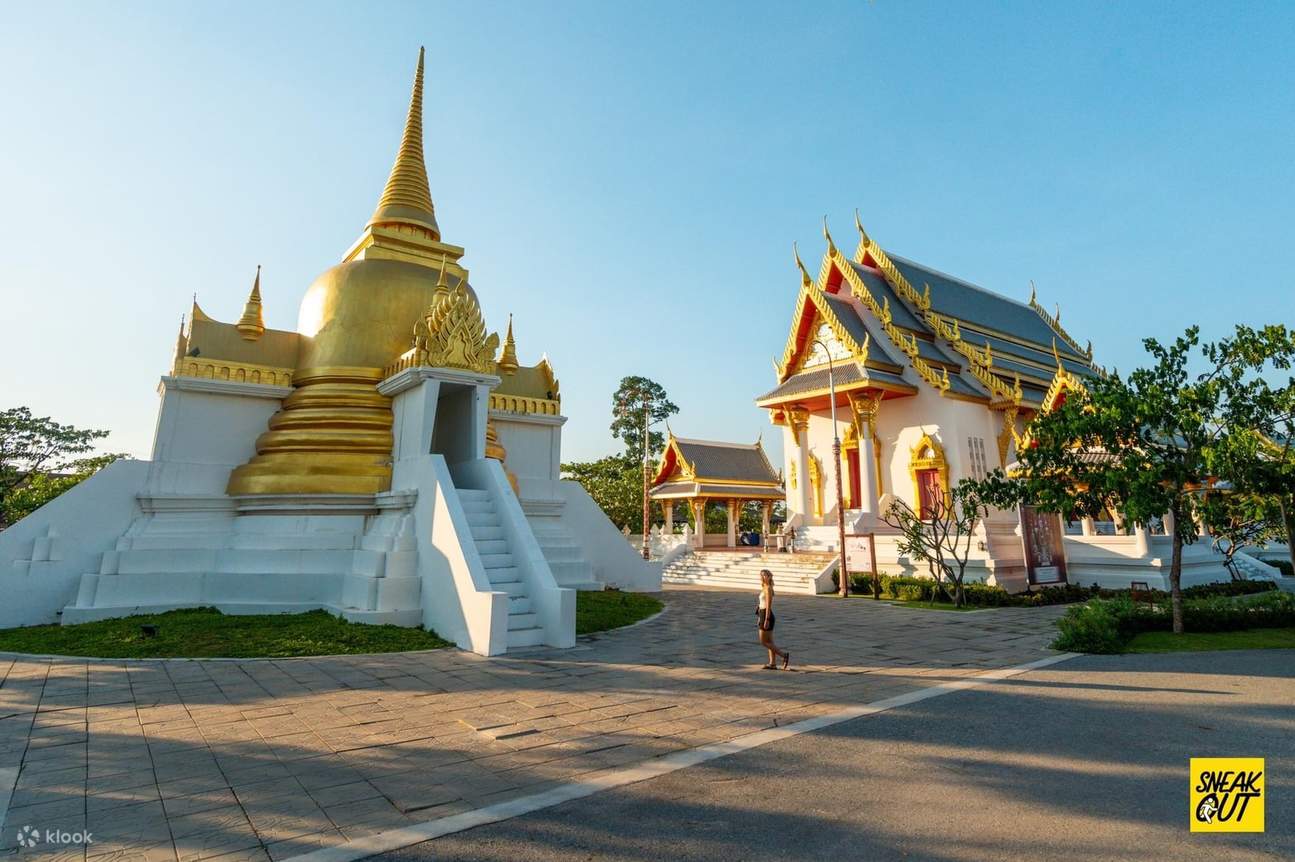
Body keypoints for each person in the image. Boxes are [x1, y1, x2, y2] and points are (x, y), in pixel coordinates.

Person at [756, 569, 790, 670]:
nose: (762, 577)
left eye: (765, 575)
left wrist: (766, 619)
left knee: (763, 641)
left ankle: (784, 655)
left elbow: (768, 605)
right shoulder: (764, 587)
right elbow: (761, 603)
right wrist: (759, 616)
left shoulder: (768, 589)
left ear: (769, 577)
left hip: (767, 615)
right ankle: (773, 663)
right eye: (761, 575)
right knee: (770, 641)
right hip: (762, 614)